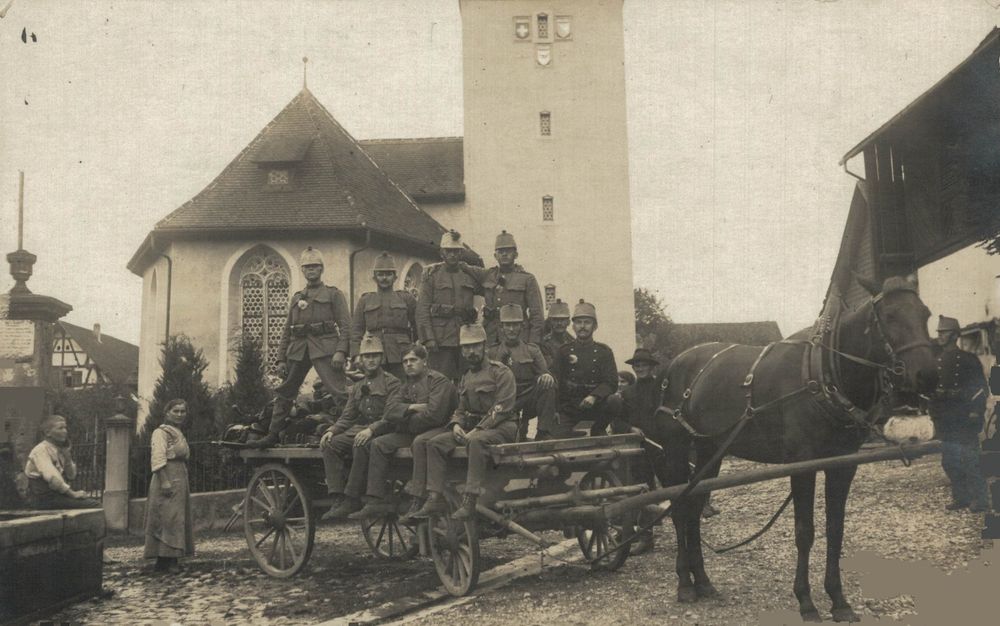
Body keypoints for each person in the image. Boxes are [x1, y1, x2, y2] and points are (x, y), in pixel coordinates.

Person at [411, 324, 517, 520]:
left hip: (502, 427)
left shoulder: (501, 372)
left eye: (475, 346)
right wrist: (456, 425)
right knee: (435, 443)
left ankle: (470, 498)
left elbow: (502, 408)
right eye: (466, 348)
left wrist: (477, 429)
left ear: (485, 346)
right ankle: (434, 497)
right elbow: (460, 408)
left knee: (475, 441)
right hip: (472, 428)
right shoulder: (466, 377)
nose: (471, 351)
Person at [252, 246, 352, 447]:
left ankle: (350, 430)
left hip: (326, 349)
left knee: (339, 392)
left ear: (322, 269)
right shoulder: (297, 298)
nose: (311, 270)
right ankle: (273, 433)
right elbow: (287, 329)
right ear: (302, 271)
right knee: (285, 391)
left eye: (315, 266)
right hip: (298, 350)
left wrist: (341, 351)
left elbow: (346, 326)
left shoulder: (334, 294)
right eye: (307, 267)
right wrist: (280, 358)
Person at [350, 344, 458, 520]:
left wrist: (403, 418)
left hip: (439, 429)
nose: (408, 364)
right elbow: (389, 411)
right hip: (411, 431)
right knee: (379, 443)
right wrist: (412, 408)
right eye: (405, 361)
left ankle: (418, 498)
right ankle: (376, 499)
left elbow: (434, 415)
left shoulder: (438, 381)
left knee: (420, 441)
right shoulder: (405, 385)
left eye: (413, 360)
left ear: (424, 361)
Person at [320, 335, 402, 519]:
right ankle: (338, 497)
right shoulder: (358, 386)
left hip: (384, 430)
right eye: (367, 356)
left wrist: (371, 429)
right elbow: (348, 416)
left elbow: (391, 416)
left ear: (381, 358)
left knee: (361, 443)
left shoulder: (392, 382)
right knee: (330, 444)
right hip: (362, 429)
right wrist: (331, 430)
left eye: (375, 356)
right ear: (361, 360)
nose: (371, 360)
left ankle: (352, 499)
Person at [928, 315, 989, 512]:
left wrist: (975, 412)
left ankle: (980, 500)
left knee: (971, 459)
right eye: (939, 333)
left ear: (954, 335)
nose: (940, 336)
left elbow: (980, 389)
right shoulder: (936, 360)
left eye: (944, 333)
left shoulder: (968, 360)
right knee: (949, 461)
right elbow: (930, 389)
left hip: (964, 417)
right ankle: (961, 497)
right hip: (946, 419)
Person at [547, 299, 619, 438]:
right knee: (556, 436)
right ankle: (574, 434)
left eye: (587, 322)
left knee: (615, 401)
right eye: (578, 322)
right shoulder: (563, 351)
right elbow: (556, 381)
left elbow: (611, 382)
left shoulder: (604, 352)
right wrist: (555, 409)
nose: (582, 326)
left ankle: (598, 429)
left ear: (595, 326)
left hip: (595, 405)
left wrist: (594, 396)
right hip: (570, 407)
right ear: (573, 326)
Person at [460, 230, 544, 346]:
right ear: (495, 256)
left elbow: (537, 315)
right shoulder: (488, 275)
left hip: (518, 338)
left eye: (508, 251)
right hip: (492, 337)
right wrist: (433, 267)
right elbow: (463, 266)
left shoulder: (527, 279)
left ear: (516, 255)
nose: (504, 254)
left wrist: (533, 344)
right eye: (500, 251)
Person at [416, 230, 481, 380]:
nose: (453, 255)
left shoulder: (469, 275)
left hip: (466, 339)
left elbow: (489, 279)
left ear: (461, 253)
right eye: (449, 251)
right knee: (440, 382)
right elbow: (422, 310)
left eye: (456, 251)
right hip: (440, 340)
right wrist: (428, 339)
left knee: (468, 380)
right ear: (442, 253)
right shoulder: (431, 276)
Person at [488, 304, 556, 441]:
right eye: (508, 325)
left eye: (515, 325)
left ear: (522, 326)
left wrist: (547, 376)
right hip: (502, 400)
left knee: (548, 385)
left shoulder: (532, 350)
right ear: (501, 327)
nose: (511, 329)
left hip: (526, 398)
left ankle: (543, 432)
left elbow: (544, 372)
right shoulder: (492, 352)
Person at [144, 399, 194, 572]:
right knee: (167, 518)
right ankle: (166, 560)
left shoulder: (178, 432)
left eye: (183, 411)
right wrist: (164, 481)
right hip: (166, 477)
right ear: (167, 413)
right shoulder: (161, 432)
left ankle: (168, 560)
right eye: (176, 411)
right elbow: (158, 457)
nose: (180, 414)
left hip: (180, 476)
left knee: (176, 518)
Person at [351, 252, 417, 380]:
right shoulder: (365, 300)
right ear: (374, 278)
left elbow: (418, 325)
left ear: (395, 277)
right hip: (373, 353)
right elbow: (356, 330)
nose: (384, 278)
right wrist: (356, 354)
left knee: (402, 387)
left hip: (401, 352)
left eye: (388, 274)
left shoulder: (406, 298)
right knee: (376, 388)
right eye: (380, 274)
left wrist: (415, 350)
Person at [24, 415, 100, 510]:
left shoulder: (59, 450)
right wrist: (73, 494)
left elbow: (71, 476)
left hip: (55, 496)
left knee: (90, 502)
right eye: (60, 428)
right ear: (48, 433)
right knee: (95, 505)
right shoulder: (40, 450)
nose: (65, 431)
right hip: (42, 498)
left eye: (65, 428)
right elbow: (53, 477)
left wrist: (67, 458)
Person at [540, 299, 574, 369]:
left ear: (568, 322)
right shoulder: (545, 344)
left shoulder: (573, 341)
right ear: (549, 322)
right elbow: (550, 367)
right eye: (555, 320)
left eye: (562, 320)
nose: (559, 323)